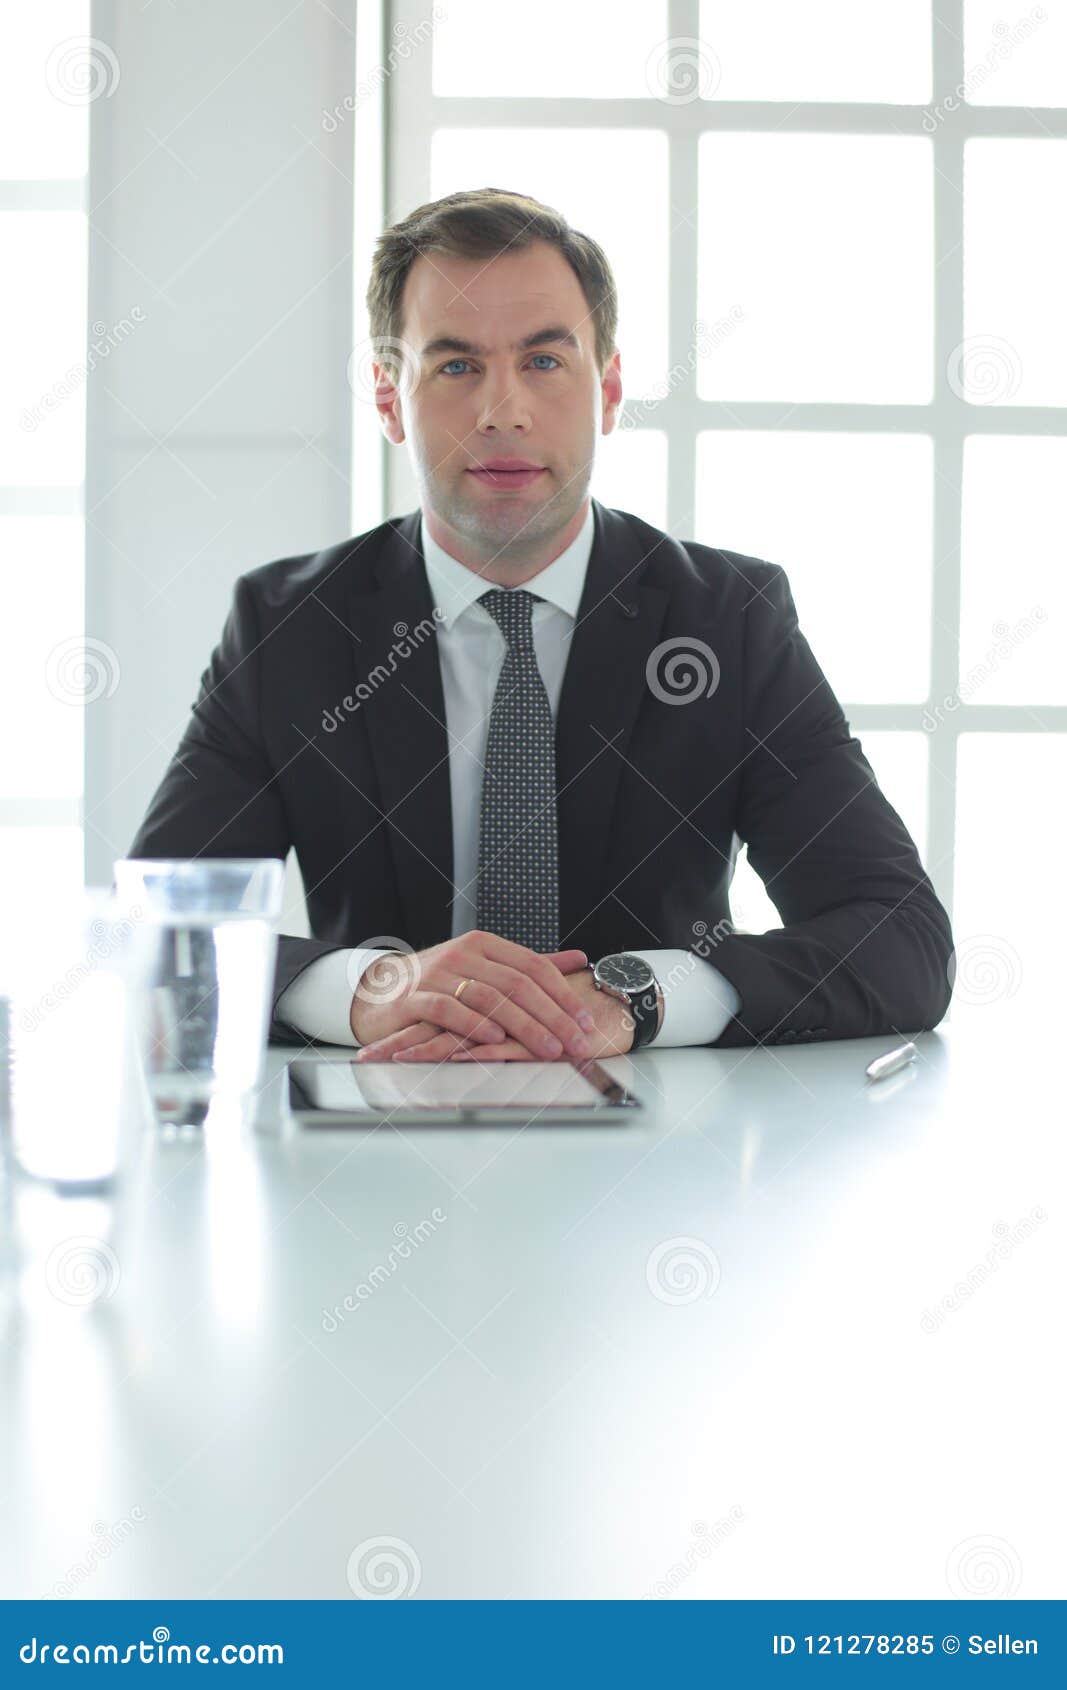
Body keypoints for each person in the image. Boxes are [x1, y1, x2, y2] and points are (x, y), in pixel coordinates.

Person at [127, 186, 953, 1064]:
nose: (503, 411)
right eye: (454, 366)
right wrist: (368, 990)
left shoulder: (727, 622)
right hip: (374, 1132)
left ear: (608, 390)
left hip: (668, 1148)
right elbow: (154, 936)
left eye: (544, 362)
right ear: (387, 399)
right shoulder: (287, 626)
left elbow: (901, 940)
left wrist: (635, 996)